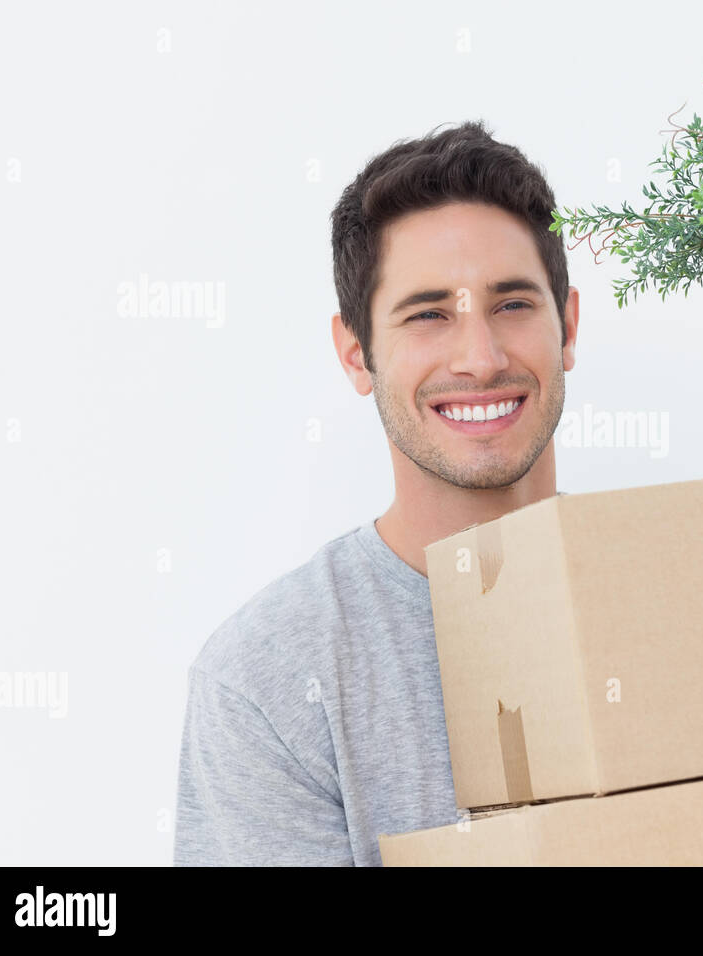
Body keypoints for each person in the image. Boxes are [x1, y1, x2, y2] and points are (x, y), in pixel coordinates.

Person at [172, 120, 580, 865]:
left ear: (569, 327)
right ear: (356, 353)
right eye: (429, 315)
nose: (481, 358)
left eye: (512, 304)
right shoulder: (268, 681)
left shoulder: (676, 595)